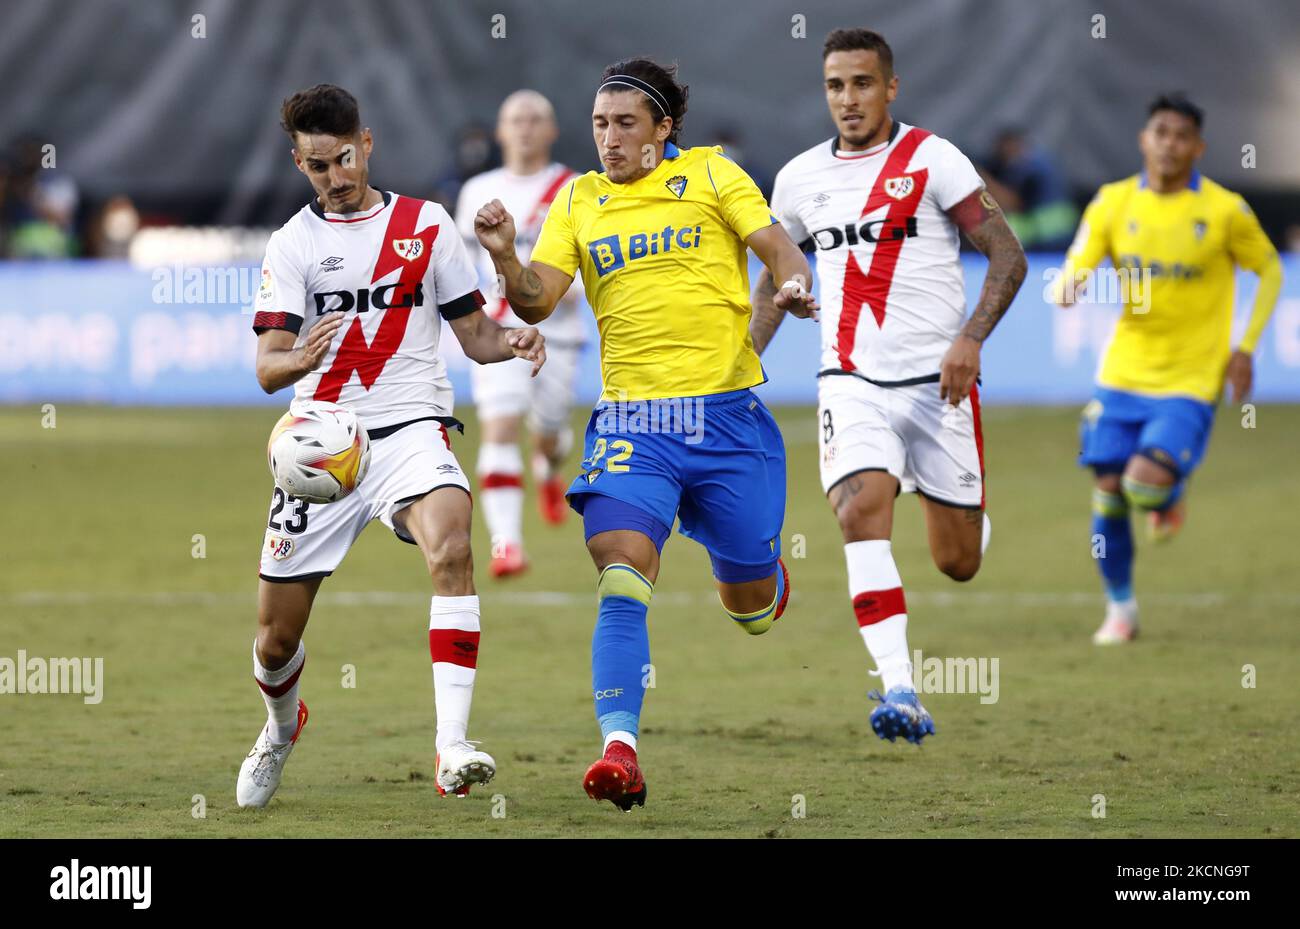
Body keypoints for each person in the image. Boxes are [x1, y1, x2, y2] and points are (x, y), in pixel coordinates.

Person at [474, 58, 817, 810]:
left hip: (728, 420)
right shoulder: (580, 201)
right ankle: (619, 748)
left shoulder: (714, 176)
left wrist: (792, 283)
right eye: (600, 124)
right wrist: (504, 257)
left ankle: (761, 580)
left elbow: (781, 250)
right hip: (635, 422)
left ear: (664, 128)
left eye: (626, 123)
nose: (610, 139)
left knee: (751, 610)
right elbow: (536, 301)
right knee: (622, 574)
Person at [237, 84, 547, 807]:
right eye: (317, 167)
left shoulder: (429, 226)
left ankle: (452, 744)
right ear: (298, 162)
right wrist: (299, 361)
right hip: (320, 446)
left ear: (366, 144)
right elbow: (265, 366)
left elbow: (474, 335)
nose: (335, 177)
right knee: (275, 641)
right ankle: (282, 727)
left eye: (343, 159)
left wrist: (515, 338)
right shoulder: (293, 244)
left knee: (452, 545)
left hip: (411, 429)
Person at [752, 28, 1026, 744]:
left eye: (862, 83)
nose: (848, 98)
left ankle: (965, 513)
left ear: (891, 87)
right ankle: (900, 689)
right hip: (850, 382)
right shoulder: (798, 179)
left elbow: (1008, 255)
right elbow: (776, 278)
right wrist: (741, 364)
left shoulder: (934, 159)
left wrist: (970, 339)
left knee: (956, 562)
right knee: (859, 511)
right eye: (836, 85)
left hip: (939, 387)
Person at [1054, 94, 1282, 645]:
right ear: (1144, 139)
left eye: (1182, 136)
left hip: (1190, 379)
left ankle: (1168, 495)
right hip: (1122, 374)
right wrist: (1070, 284)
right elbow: (1075, 267)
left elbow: (1271, 269)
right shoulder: (1112, 203)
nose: (1170, 144)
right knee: (1108, 489)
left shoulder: (1224, 210)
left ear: (1197, 148)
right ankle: (1120, 609)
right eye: (1161, 132)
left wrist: (1245, 347)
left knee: (1142, 485)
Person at [455, 91, 587, 577]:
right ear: (500, 131)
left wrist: (574, 290)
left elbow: (591, 259)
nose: (526, 128)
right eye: (516, 120)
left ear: (552, 131)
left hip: (560, 333)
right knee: (500, 425)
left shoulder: (574, 188)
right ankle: (507, 546)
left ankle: (549, 465)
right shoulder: (477, 191)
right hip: (499, 331)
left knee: (548, 432)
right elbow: (460, 262)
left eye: (536, 120)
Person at [981, 127, 1078, 251]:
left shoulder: (1024, 165)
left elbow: (1010, 203)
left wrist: (981, 178)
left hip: (1047, 234)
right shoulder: (1043, 158)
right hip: (1066, 228)